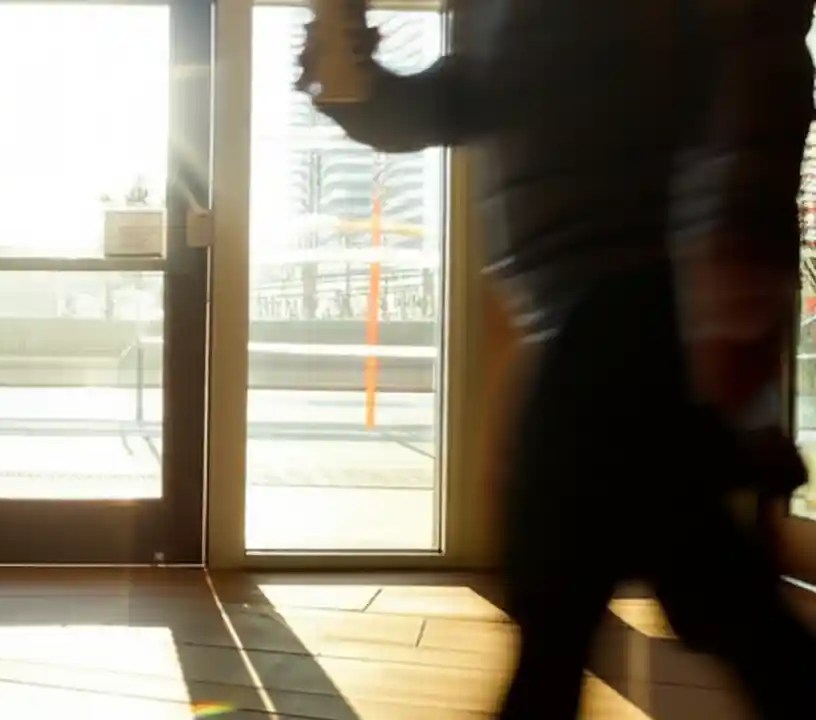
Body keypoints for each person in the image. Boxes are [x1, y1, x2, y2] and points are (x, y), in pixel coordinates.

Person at [298, 1, 816, 717]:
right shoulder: (519, 19)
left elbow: (755, 73)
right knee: (693, 597)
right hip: (605, 316)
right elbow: (463, 100)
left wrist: (732, 278)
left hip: (637, 309)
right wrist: (354, 83)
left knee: (583, 606)